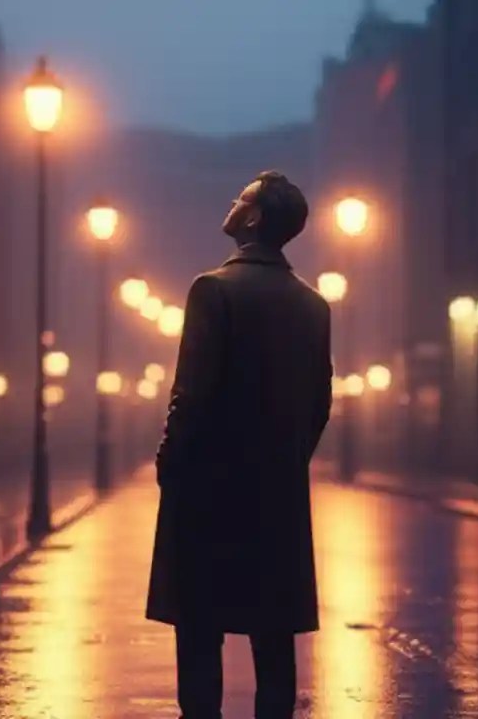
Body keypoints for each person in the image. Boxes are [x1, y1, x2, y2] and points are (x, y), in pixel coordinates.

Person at [146, 171, 333, 718]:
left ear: (253, 218)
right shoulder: (314, 305)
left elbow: (192, 393)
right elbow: (320, 402)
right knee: (274, 634)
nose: (232, 202)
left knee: (200, 627)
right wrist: (287, 458)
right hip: (276, 491)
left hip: (209, 488)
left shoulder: (213, 290)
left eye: (242, 198)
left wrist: (170, 461)